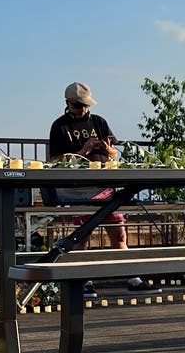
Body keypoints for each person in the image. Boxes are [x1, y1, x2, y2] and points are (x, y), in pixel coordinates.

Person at [46, 81, 127, 251]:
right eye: (78, 105)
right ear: (68, 103)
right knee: (81, 237)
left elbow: (114, 154)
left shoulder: (99, 122)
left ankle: (128, 274)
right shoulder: (59, 126)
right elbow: (54, 161)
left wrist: (107, 149)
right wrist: (83, 151)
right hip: (80, 189)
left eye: (86, 105)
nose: (83, 109)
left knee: (119, 234)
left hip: (105, 186)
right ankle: (80, 276)